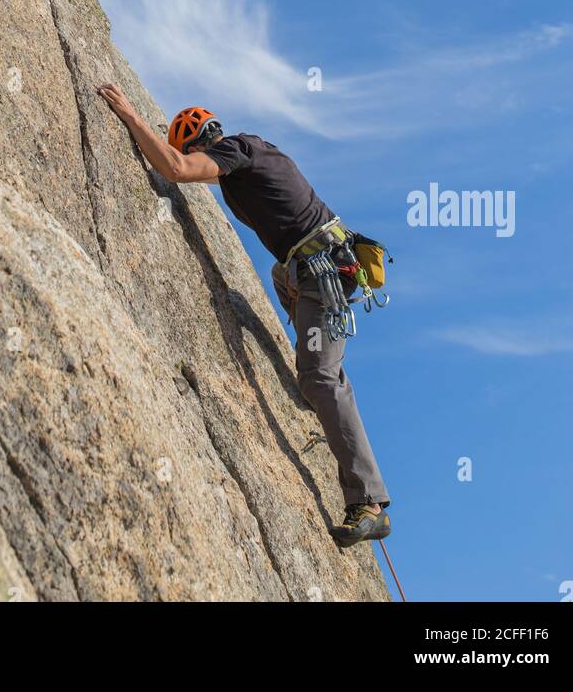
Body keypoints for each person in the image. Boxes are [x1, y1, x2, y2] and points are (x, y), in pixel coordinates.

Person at [97, 85, 391, 548]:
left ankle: (368, 503)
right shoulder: (252, 154)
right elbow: (203, 172)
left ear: (200, 143)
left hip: (322, 271)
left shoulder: (235, 150)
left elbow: (177, 170)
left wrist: (130, 116)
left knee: (318, 379)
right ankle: (321, 362)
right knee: (281, 275)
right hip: (313, 266)